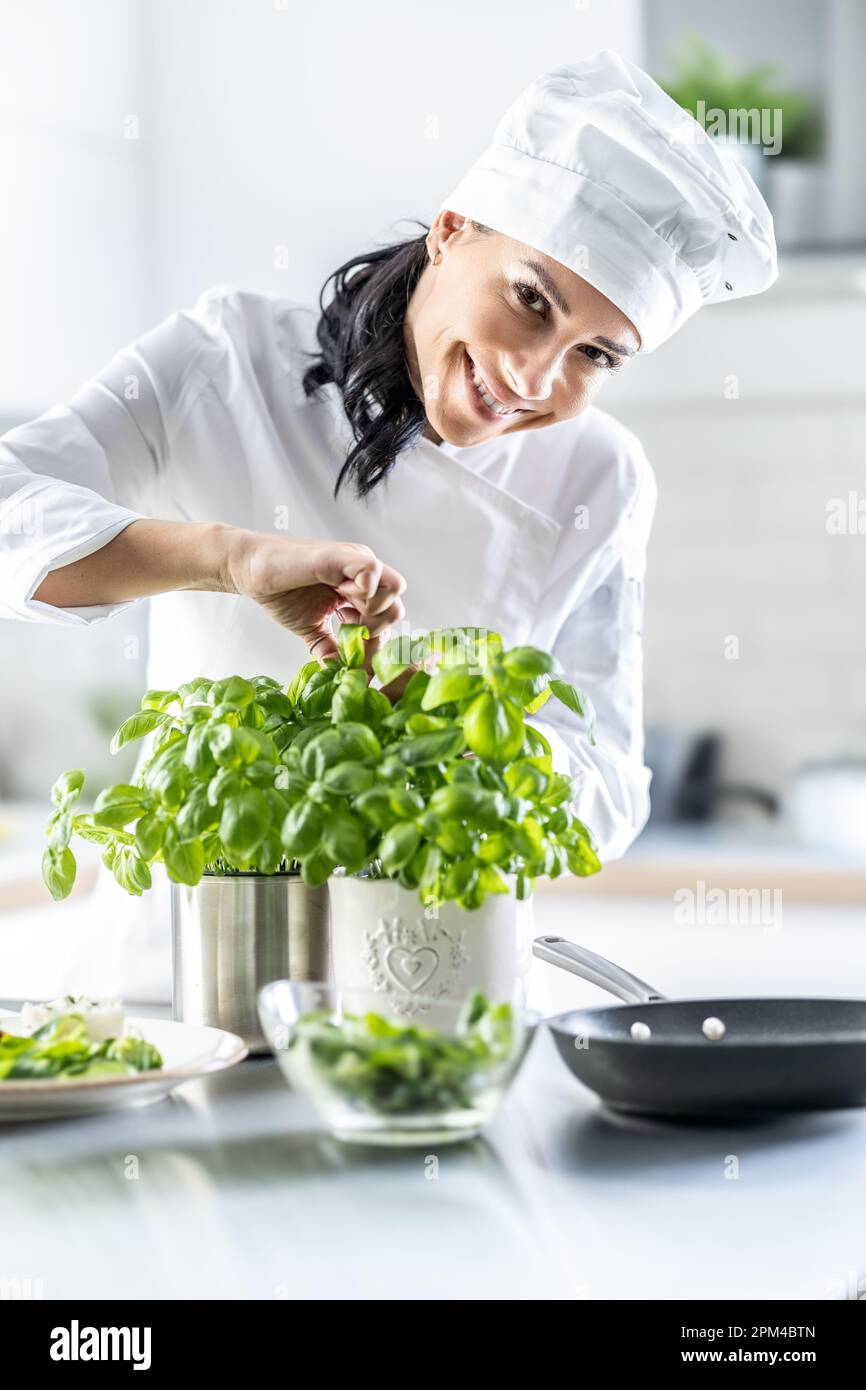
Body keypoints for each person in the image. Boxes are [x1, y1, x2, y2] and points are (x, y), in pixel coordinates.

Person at [0, 51, 777, 999]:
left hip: (432, 996)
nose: (533, 379)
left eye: (596, 354)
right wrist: (231, 557)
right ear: (452, 231)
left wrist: (462, 723)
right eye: (531, 300)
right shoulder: (224, 358)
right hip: (189, 986)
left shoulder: (601, 477)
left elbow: (608, 789)